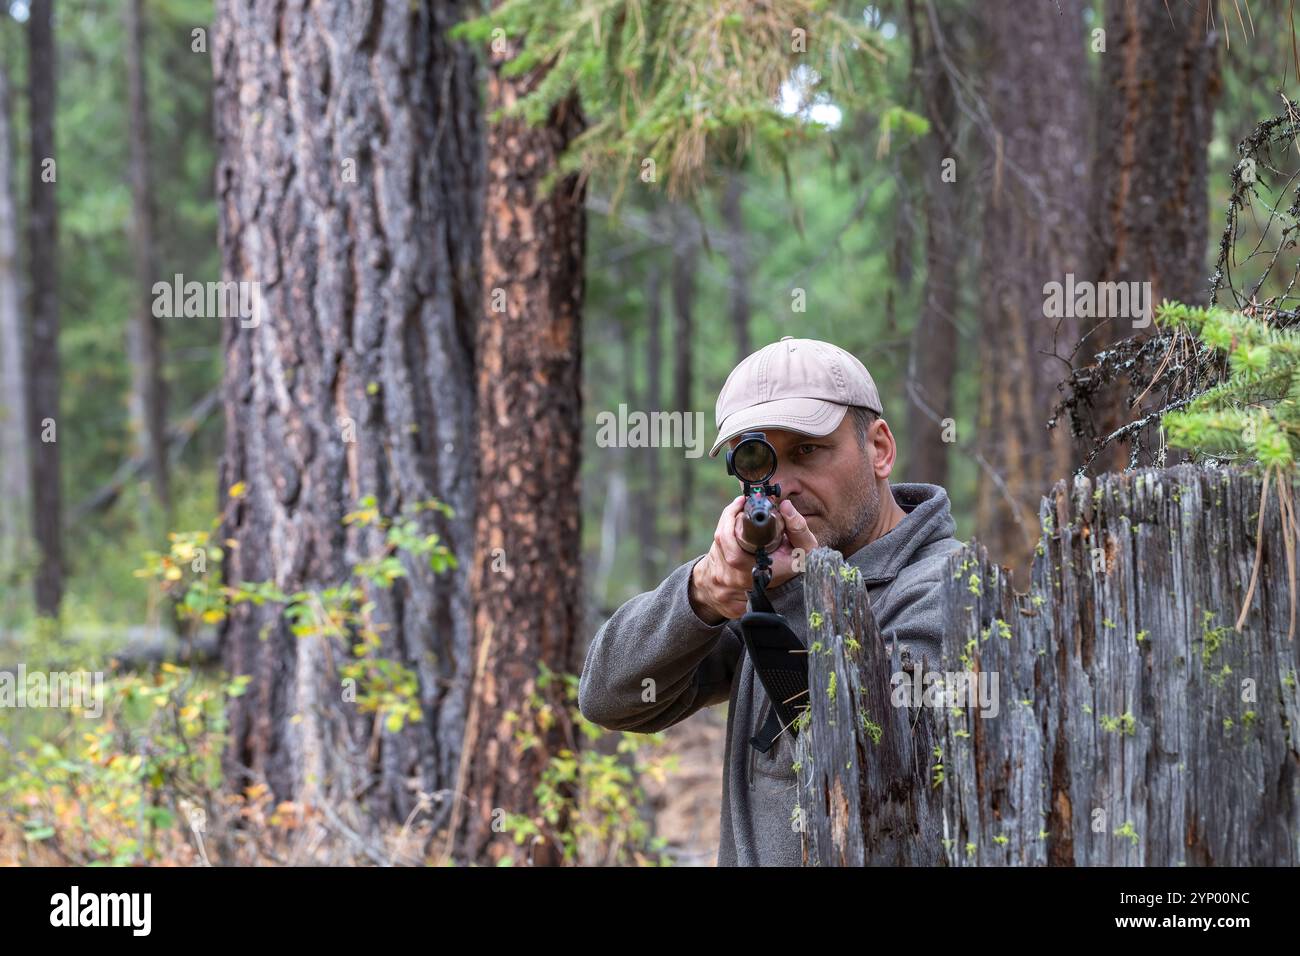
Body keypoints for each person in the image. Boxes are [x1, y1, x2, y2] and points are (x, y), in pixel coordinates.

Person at [578, 336, 963, 866]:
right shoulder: (768, 589)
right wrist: (703, 593)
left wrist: (816, 593)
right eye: (760, 459)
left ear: (879, 448)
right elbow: (608, 698)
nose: (782, 487)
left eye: (807, 450)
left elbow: (884, 765)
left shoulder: (951, 590)